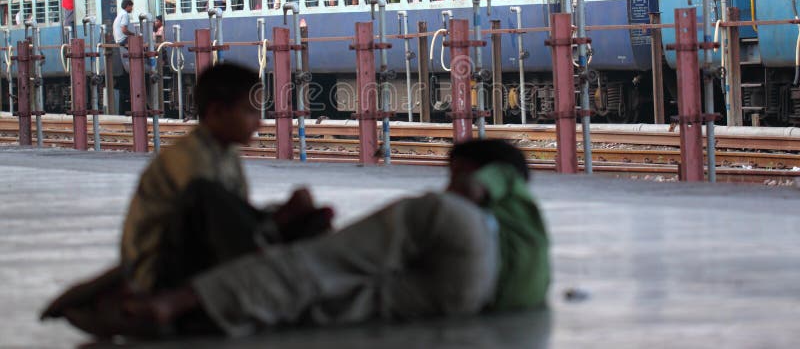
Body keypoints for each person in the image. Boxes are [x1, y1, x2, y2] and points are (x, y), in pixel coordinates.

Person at [47, 139, 550, 339]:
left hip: (466, 247)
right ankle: (192, 315)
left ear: (466, 164)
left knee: (325, 261)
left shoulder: (502, 179)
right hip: (473, 300)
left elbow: (478, 185)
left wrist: (466, 186)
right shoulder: (528, 230)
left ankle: (173, 300)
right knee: (330, 296)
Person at [41, 64, 334, 332]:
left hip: (198, 252)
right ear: (217, 112)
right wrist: (278, 220)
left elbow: (234, 218)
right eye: (249, 112)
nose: (258, 124)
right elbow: (212, 218)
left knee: (312, 219)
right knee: (207, 196)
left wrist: (284, 217)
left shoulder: (226, 155)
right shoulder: (189, 158)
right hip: (162, 271)